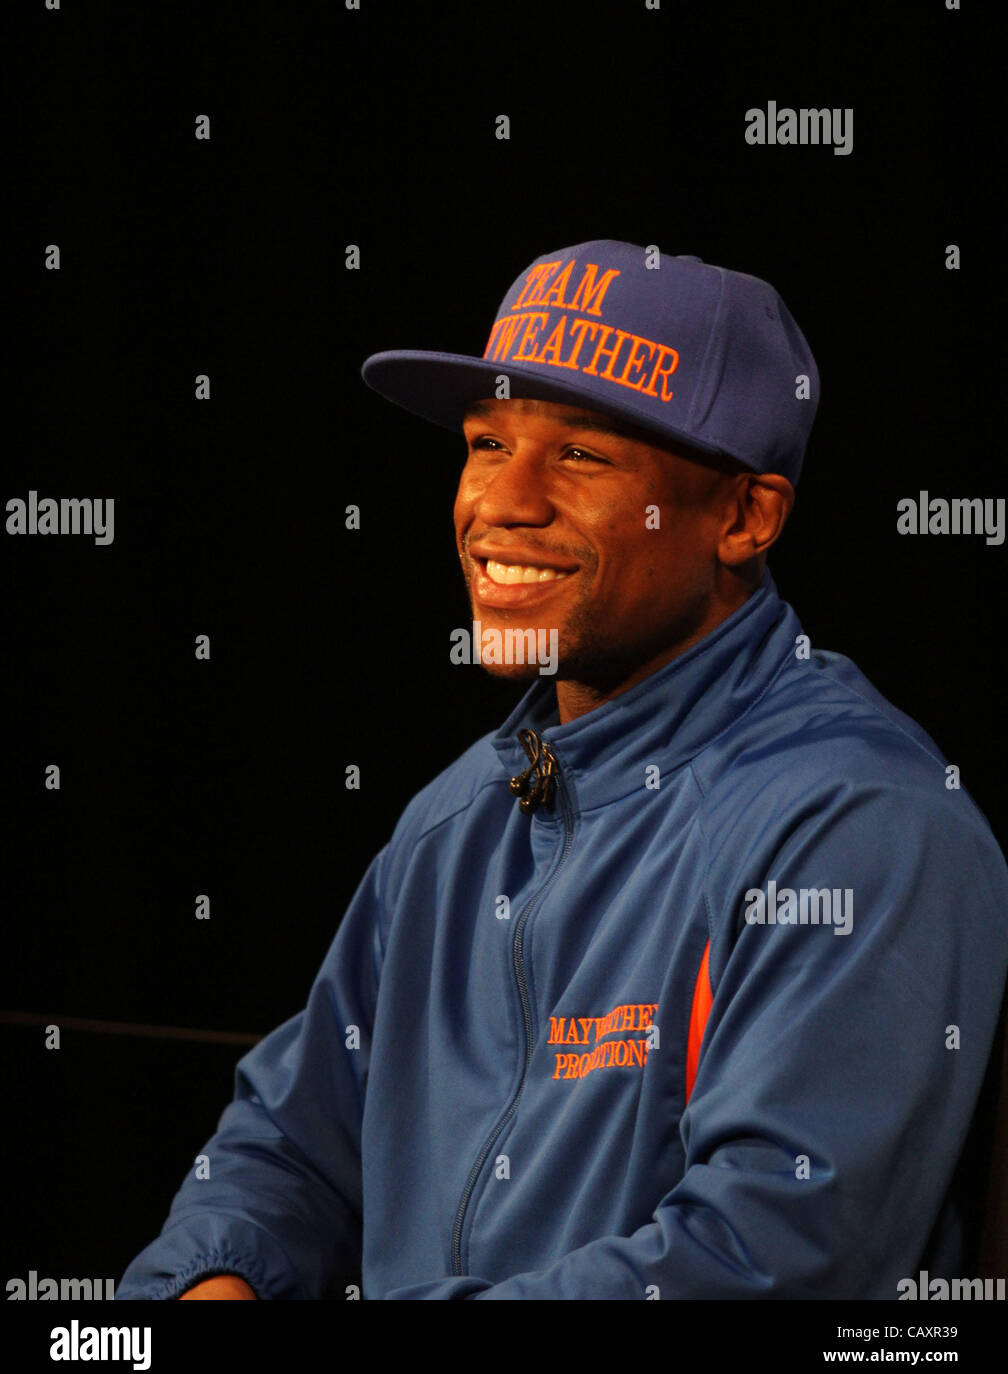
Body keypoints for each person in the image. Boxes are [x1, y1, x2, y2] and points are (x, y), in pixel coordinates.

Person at [116, 239, 1008, 1300]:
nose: (505, 501)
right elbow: (286, 1146)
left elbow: (770, 1261)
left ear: (743, 517)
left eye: (582, 456)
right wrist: (210, 1285)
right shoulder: (458, 818)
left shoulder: (858, 820)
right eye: (488, 442)